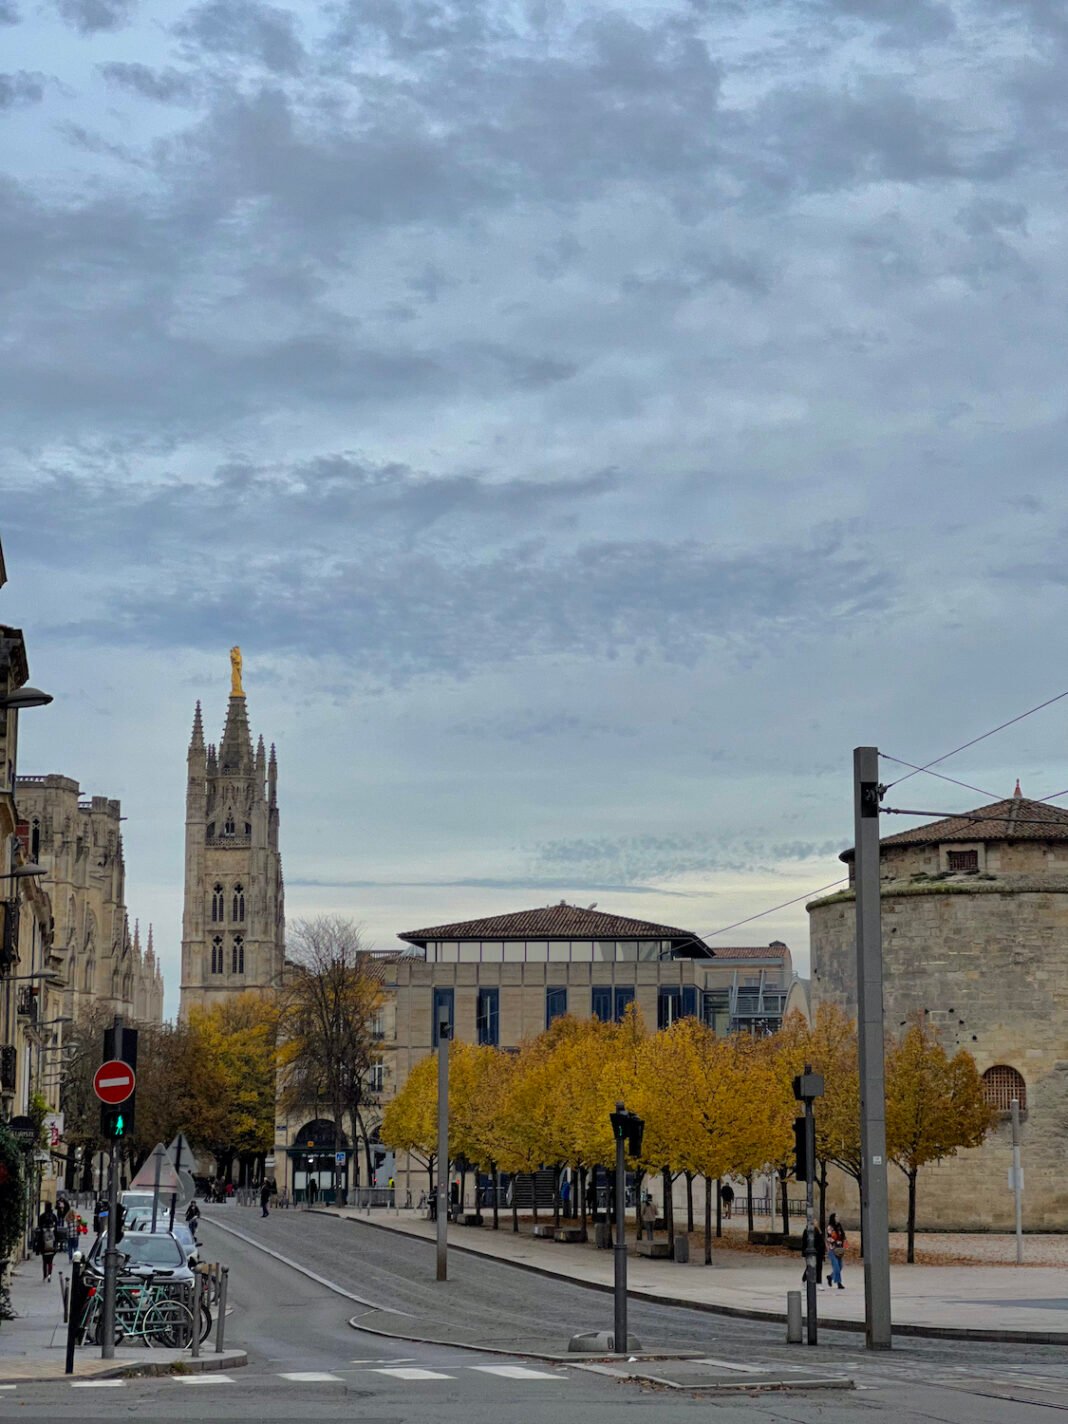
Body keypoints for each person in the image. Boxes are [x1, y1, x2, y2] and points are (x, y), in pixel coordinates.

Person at [35, 1202, 58, 1283]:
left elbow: (39, 1228)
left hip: (43, 1244)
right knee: (50, 1261)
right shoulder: (54, 1217)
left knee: (44, 1261)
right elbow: (57, 1230)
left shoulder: (42, 1216)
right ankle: (49, 1275)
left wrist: (38, 1248)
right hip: (52, 1244)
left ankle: (44, 1275)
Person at [802, 1223, 825, 1288]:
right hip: (810, 1252)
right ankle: (804, 1280)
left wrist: (823, 1253)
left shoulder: (818, 1231)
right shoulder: (806, 1231)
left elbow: (822, 1242)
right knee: (809, 1267)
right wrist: (804, 1254)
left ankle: (818, 1283)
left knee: (819, 1267)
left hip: (819, 1252)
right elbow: (804, 1243)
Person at [827, 1213, 847, 1289]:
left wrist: (843, 1240)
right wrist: (836, 1242)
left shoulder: (839, 1226)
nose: (838, 1218)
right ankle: (839, 1283)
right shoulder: (830, 1227)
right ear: (833, 1218)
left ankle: (830, 1277)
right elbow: (829, 1238)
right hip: (832, 1249)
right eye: (836, 1216)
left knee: (840, 1266)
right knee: (836, 1267)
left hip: (839, 1249)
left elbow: (843, 1235)